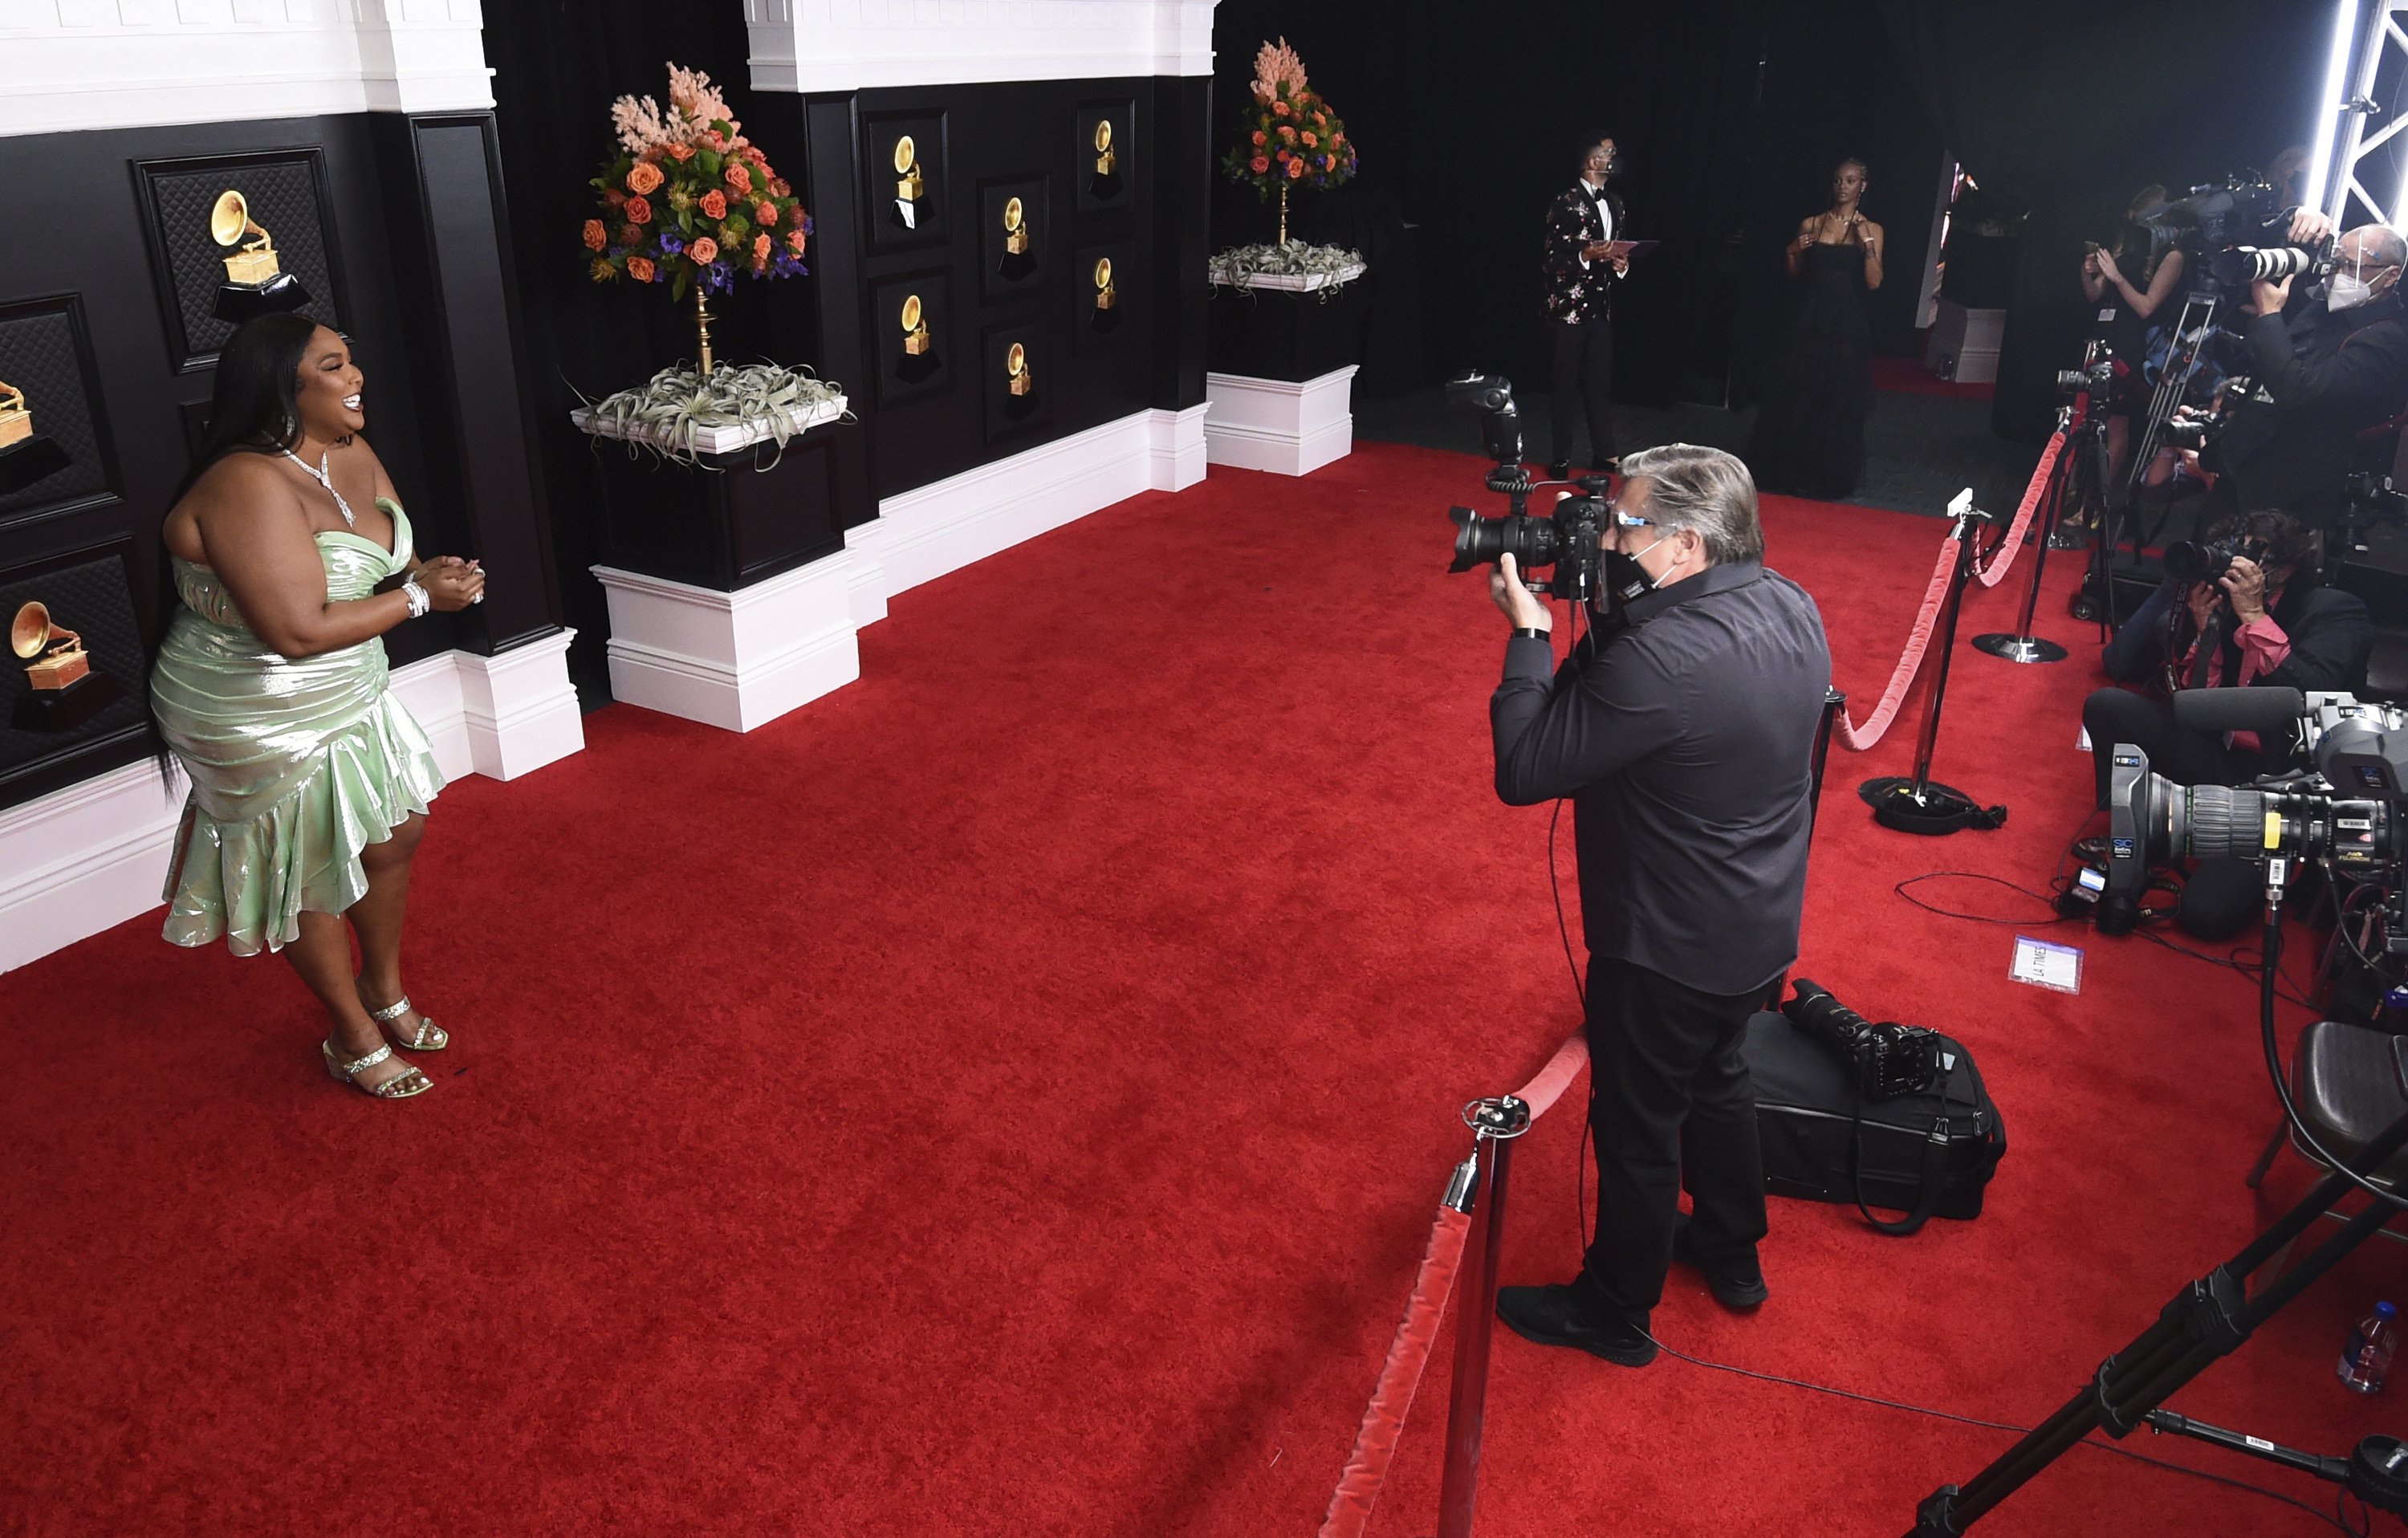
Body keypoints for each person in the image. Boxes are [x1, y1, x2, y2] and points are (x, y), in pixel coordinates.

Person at [1484, 444, 1832, 1366]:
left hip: (1665, 944)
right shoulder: (1794, 602)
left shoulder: (1663, 659)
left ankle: (1615, 1309)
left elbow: (1525, 768)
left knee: (1638, 1124)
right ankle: (1732, 1251)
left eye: (1625, 523)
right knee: (1719, 1080)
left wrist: (1528, 635)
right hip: (1759, 924)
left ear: (1683, 544)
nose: (1606, 535)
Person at [151, 313, 486, 1099]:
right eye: (335, 365)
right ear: (284, 389)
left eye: (351, 360)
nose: (357, 376)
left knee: (396, 828)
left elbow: (389, 562)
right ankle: (352, 1029)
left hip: (349, 677)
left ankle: (385, 986)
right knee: (306, 864)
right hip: (252, 697)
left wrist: (434, 576)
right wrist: (416, 598)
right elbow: (298, 631)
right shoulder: (246, 480)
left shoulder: (350, 452)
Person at [2082, 507, 2370, 938]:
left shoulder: (2335, 611)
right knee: (2107, 706)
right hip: (2220, 754)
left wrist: (2256, 619)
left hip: (2281, 786)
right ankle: (2134, 830)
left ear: (2286, 568)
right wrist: (2205, 632)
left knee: (2205, 916)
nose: (2238, 567)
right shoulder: (2224, 602)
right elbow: (2195, 705)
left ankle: (2258, 856)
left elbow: (2309, 692)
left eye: (2256, 557)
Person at [2201, 220, 2408, 531]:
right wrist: (2293, 221)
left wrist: (2270, 317)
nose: (2337, 274)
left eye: (2351, 266)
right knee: (2192, 572)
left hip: (2289, 498)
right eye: (2336, 262)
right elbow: (2246, 276)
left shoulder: (2388, 339)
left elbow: (2298, 391)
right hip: (2238, 472)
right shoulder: (2320, 306)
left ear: (2391, 275)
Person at [1747, 159, 1883, 500]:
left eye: (1850, 181)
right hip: (1809, 317)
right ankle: (1789, 469)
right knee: (1797, 393)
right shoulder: (1813, 223)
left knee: (1835, 397)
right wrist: (1791, 251)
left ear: (1862, 186)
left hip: (1846, 322)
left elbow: (1874, 282)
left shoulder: (1871, 229)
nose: (1842, 186)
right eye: (1838, 180)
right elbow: (1794, 272)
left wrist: (1867, 244)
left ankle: (1826, 471)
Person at [2080, 186, 2188, 497]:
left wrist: (2115, 276)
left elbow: (2146, 307)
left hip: (2134, 343)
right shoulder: (2128, 244)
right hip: (2104, 335)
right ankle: (2076, 489)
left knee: (2116, 422)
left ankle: (2097, 500)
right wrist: (2088, 271)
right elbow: (2093, 295)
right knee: (2087, 416)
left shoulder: (2173, 255)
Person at [1541, 131, 1630, 482]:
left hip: (1600, 307)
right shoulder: (1565, 200)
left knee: (1598, 382)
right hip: (1567, 308)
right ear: (1592, 161)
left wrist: (1621, 264)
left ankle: (1605, 453)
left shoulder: (1617, 203)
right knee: (1563, 383)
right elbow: (1552, 259)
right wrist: (1585, 255)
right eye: (1609, 152)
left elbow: (1617, 248)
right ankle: (1561, 455)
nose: (1614, 157)